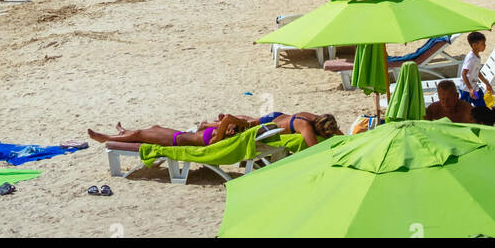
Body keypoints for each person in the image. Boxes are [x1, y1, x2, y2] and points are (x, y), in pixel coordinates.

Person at [88, 114, 251, 149]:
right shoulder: (218, 133)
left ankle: (106, 138)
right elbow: (202, 128)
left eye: (233, 128)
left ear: (230, 132)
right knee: (153, 128)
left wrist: (242, 123)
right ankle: (123, 131)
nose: (229, 126)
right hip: (179, 134)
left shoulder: (220, 137)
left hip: (174, 141)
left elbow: (228, 118)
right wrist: (209, 124)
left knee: (139, 134)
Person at [252, 112, 341, 148]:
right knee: (247, 124)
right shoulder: (305, 126)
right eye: (325, 135)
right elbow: (315, 148)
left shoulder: (321, 119)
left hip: (279, 116)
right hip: (269, 126)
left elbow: (339, 133)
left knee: (249, 120)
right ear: (320, 129)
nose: (327, 136)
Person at [459, 31, 494, 105]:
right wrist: (470, 89)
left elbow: (477, 72)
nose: (485, 45)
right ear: (474, 45)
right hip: (467, 90)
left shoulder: (477, 57)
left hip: (475, 88)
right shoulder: (471, 58)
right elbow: (464, 74)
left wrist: (487, 83)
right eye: (483, 44)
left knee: (481, 106)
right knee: (465, 109)